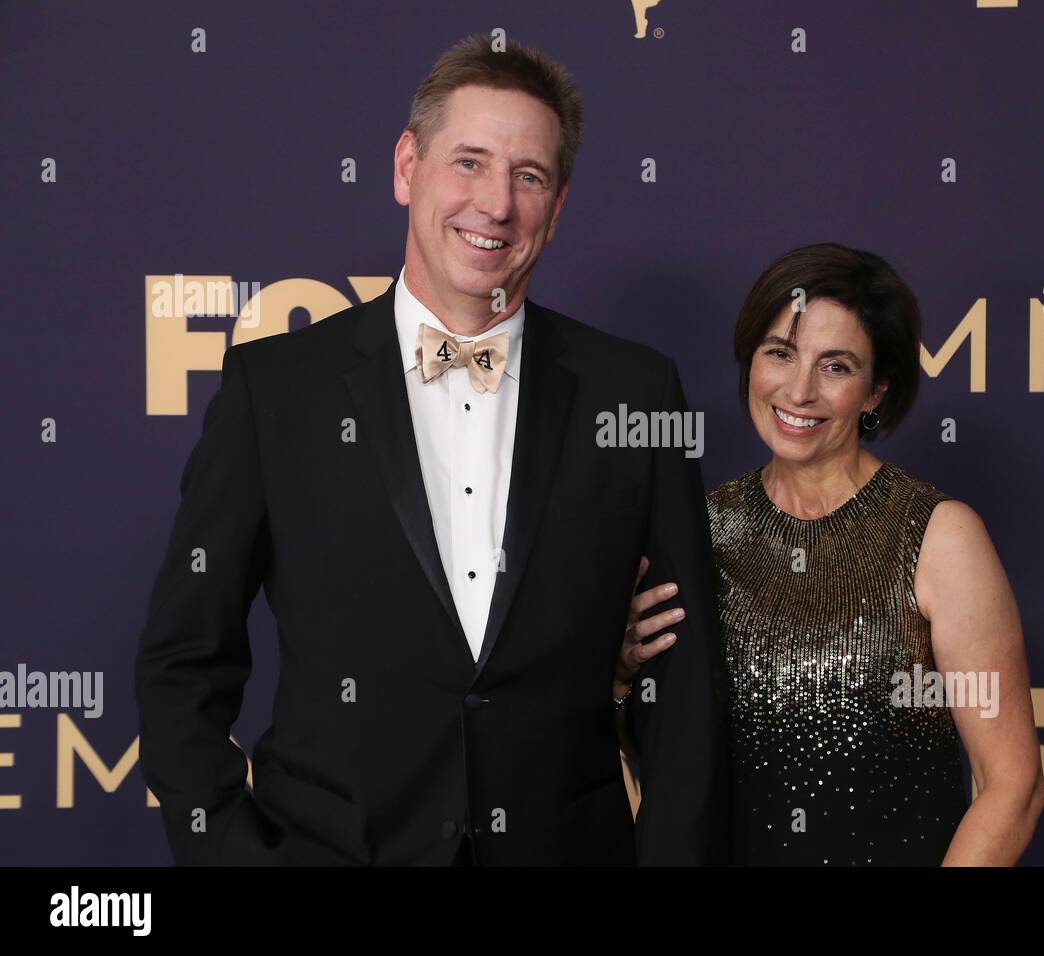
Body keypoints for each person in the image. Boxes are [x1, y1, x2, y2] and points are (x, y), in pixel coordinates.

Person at [134, 33, 728, 867]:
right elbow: (181, 665)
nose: (496, 205)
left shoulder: (634, 392)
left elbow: (686, 699)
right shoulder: (277, 390)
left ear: (556, 209)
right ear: (407, 167)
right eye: (470, 162)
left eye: (530, 177)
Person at [617, 243, 1044, 865]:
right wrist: (625, 679)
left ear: (876, 391)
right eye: (780, 354)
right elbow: (661, 767)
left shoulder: (938, 537)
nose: (799, 390)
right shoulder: (697, 530)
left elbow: (1014, 785)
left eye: (836, 366)